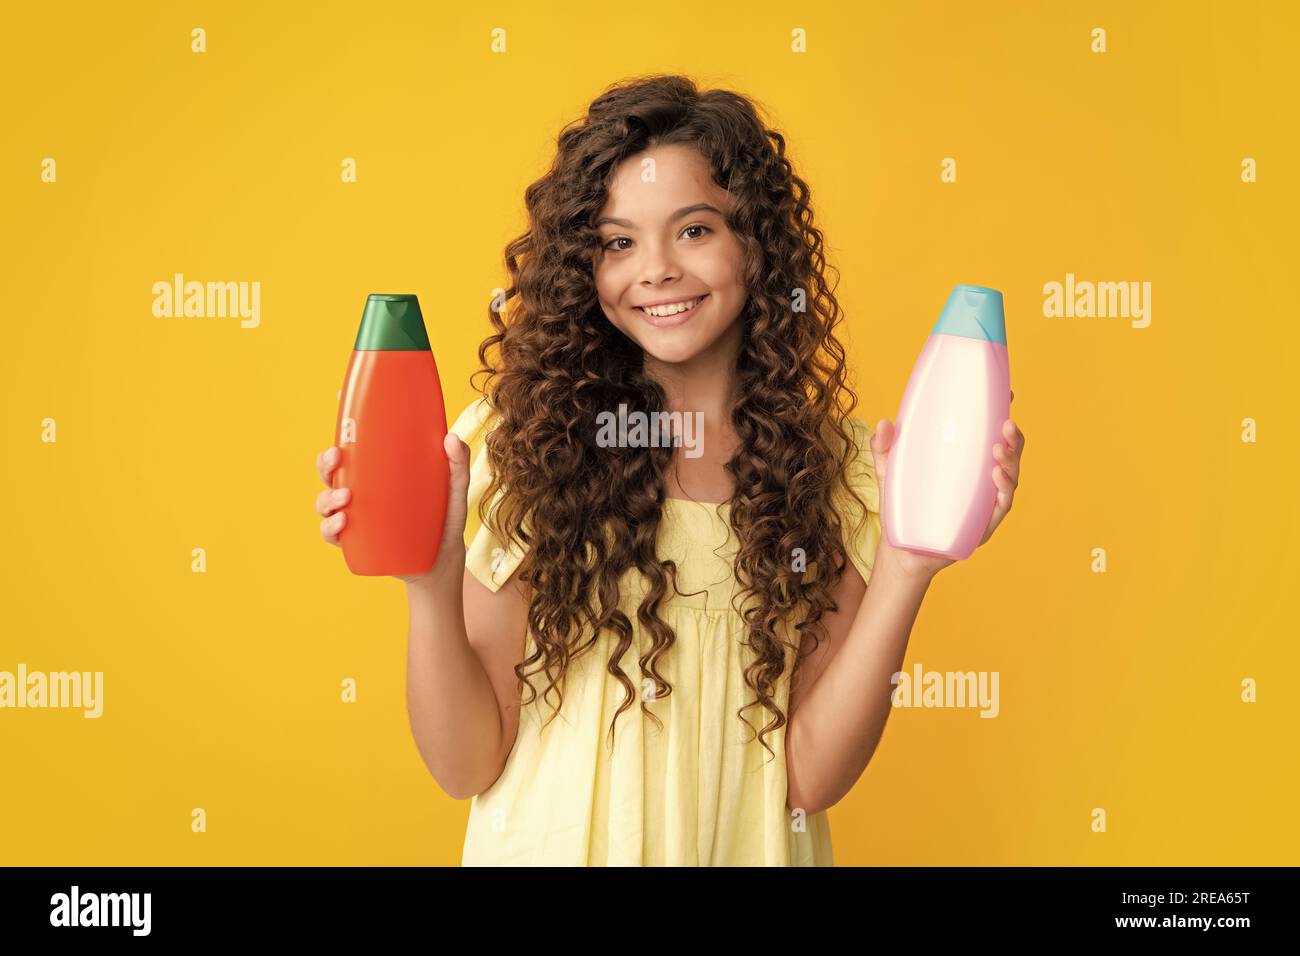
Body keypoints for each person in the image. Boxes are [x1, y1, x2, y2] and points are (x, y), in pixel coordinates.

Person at [313, 74, 1024, 865]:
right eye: (618, 241)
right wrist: (431, 583)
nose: (653, 270)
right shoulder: (524, 451)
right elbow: (463, 765)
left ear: (756, 243)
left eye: (693, 231)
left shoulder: (840, 475)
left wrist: (906, 568)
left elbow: (810, 780)